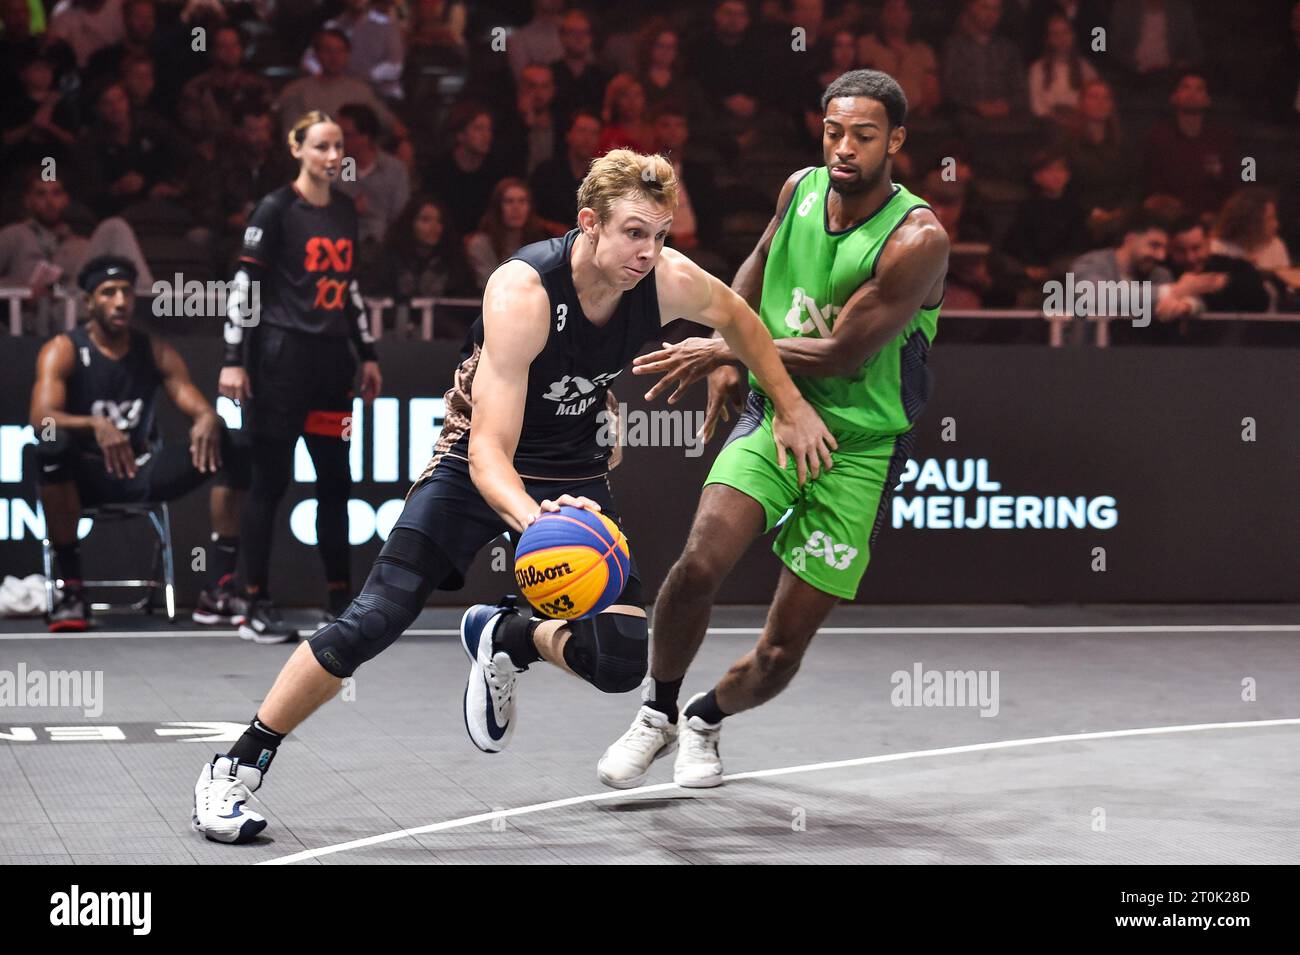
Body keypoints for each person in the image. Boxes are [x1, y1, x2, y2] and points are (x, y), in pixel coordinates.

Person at [190, 147, 835, 844]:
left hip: (577, 470)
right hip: (476, 469)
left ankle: (508, 634)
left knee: (620, 660)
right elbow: (489, 451)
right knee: (375, 616)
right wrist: (537, 520)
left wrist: (790, 403)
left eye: (659, 234)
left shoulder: (666, 280)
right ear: (588, 223)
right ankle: (236, 763)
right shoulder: (523, 291)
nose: (648, 251)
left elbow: (740, 316)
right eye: (632, 232)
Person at [597, 69, 949, 791]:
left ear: (897, 142)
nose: (843, 147)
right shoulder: (799, 189)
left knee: (779, 654)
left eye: (864, 135)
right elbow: (753, 269)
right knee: (699, 562)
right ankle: (657, 711)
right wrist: (735, 351)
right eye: (833, 131)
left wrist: (723, 348)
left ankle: (704, 715)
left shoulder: (917, 239)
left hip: (858, 445)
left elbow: (847, 350)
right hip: (776, 409)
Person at [218, 111, 384, 644]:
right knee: (269, 482)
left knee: (336, 482)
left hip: (332, 364)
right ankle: (252, 602)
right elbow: (244, 286)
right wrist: (232, 357)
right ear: (297, 149)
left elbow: (350, 287)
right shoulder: (274, 209)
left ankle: (339, 598)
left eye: (339, 146)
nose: (334, 157)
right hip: (281, 360)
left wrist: (370, 353)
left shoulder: (343, 210)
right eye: (321, 147)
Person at [28, 255, 250, 632]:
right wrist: (93, 424)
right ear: (89, 302)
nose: (120, 302)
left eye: (126, 292)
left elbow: (192, 401)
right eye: (108, 293)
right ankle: (71, 591)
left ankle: (219, 589)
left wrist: (208, 418)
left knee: (233, 443)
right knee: (50, 445)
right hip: (84, 477)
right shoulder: (63, 349)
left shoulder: (154, 349)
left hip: (141, 470)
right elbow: (41, 418)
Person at [464, 178, 552, 289]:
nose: (516, 208)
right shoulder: (480, 245)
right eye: (509, 201)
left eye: (522, 201)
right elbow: (491, 285)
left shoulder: (540, 244)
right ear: (498, 207)